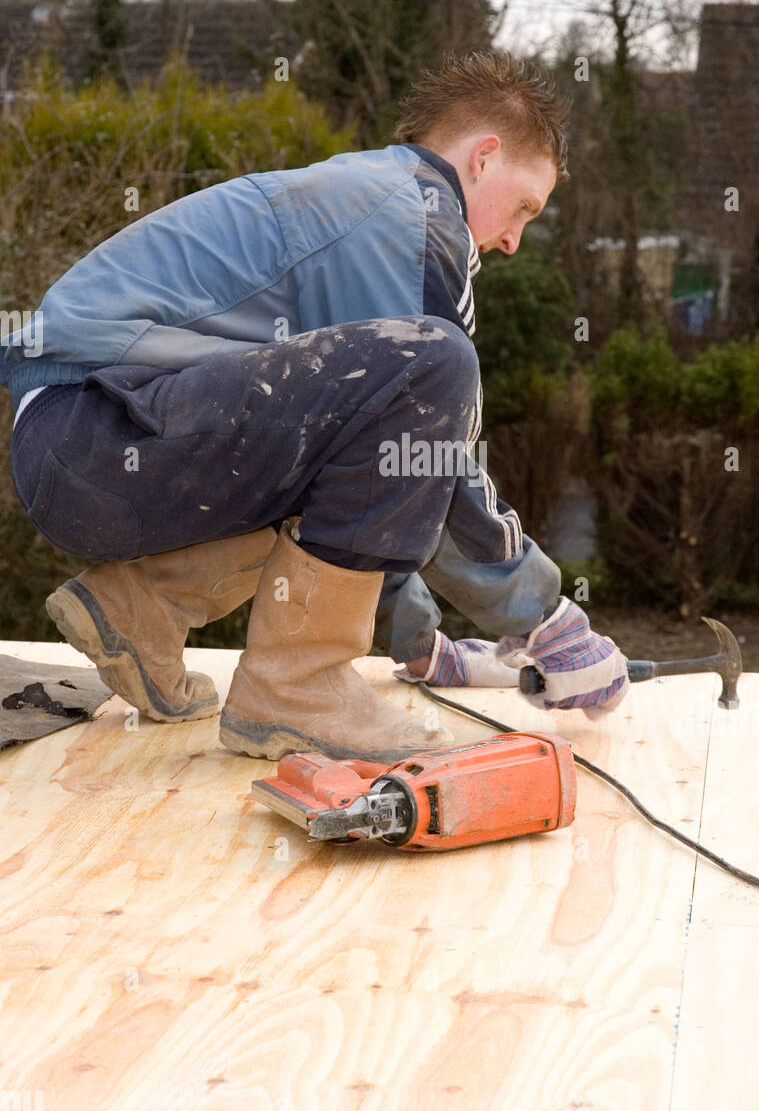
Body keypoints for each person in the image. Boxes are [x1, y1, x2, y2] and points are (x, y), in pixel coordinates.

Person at [0, 50, 628, 763]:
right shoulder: (412, 215)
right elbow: (424, 452)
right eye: (525, 207)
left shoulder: (368, 195)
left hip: (89, 443)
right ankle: (293, 692)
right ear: (483, 158)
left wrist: (422, 648)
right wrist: (543, 617)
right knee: (438, 363)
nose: (514, 239)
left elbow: (367, 476)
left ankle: (139, 614)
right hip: (100, 430)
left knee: (372, 409)